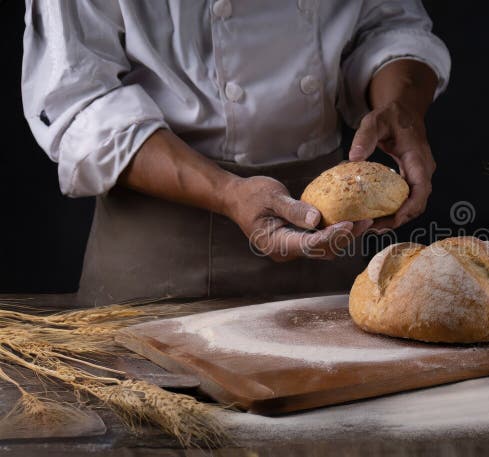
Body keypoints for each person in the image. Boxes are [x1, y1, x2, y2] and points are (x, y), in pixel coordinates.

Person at [21, 1, 450, 306]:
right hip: (158, 261)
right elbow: (79, 100)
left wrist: (401, 108)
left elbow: (388, 26)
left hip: (330, 245)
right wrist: (228, 193)